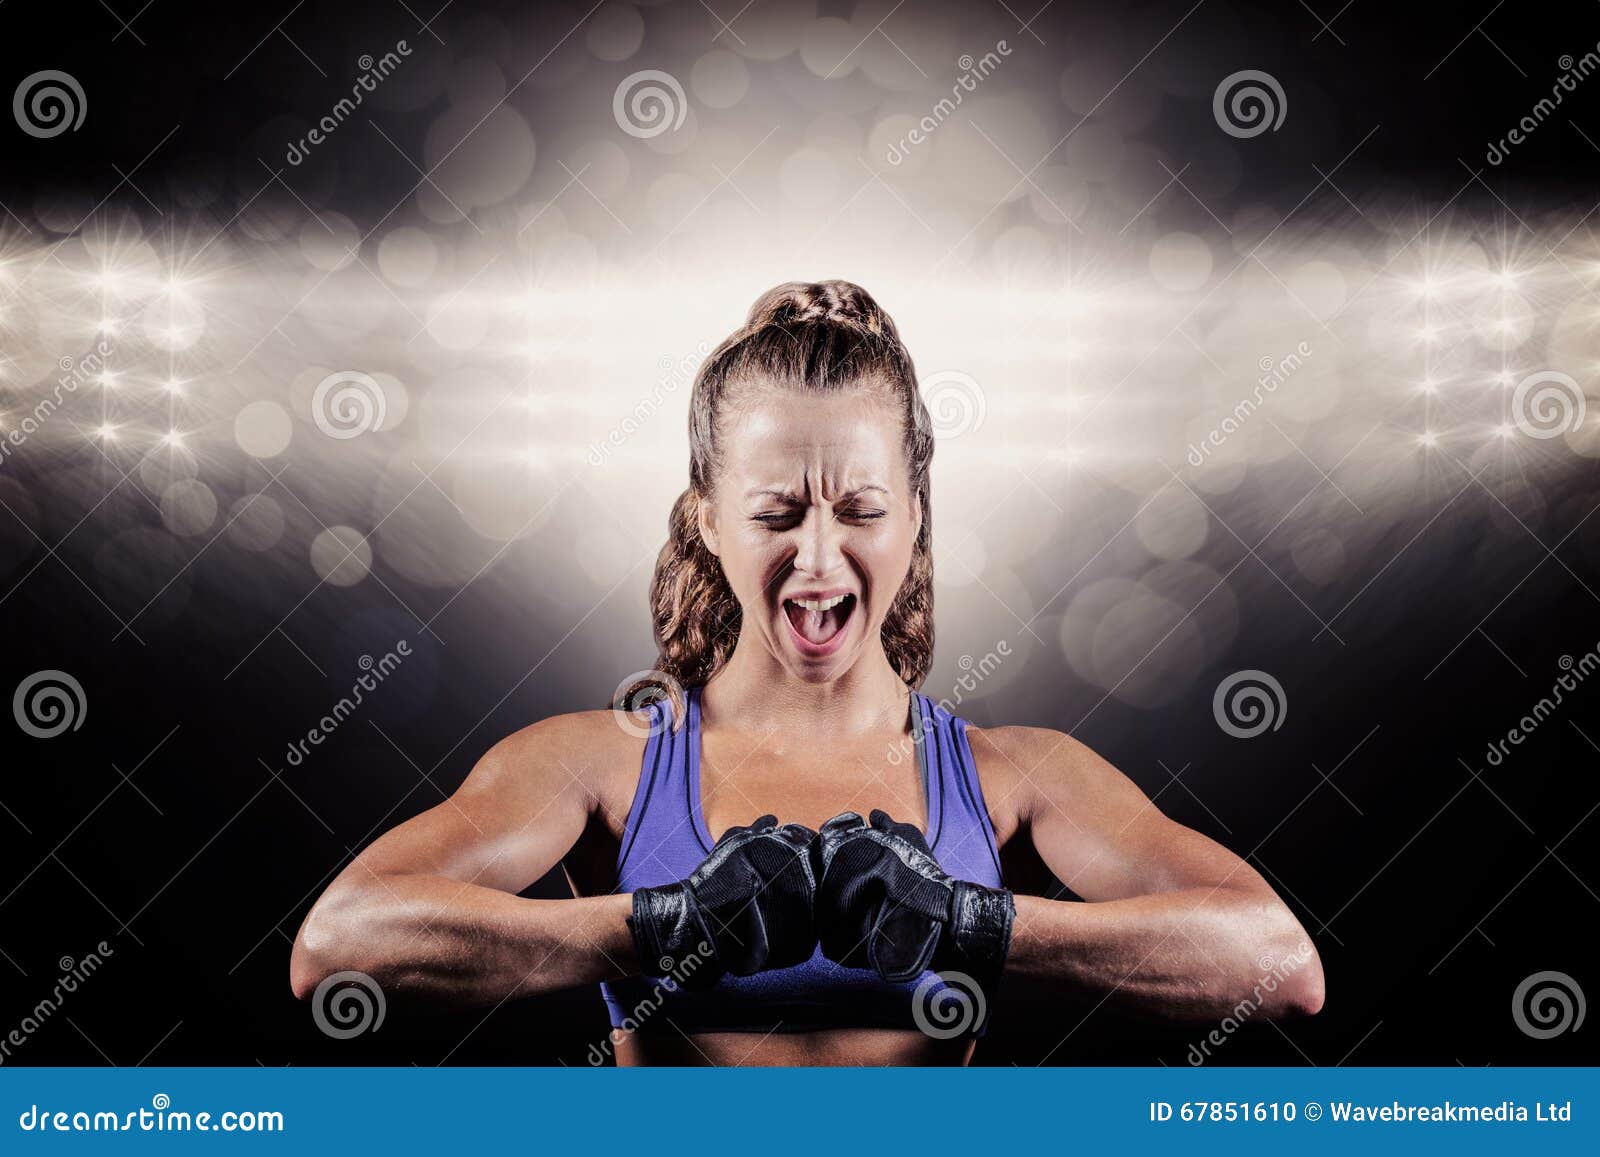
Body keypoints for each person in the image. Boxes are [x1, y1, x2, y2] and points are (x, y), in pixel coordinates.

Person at [290, 280, 1324, 1065]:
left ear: (915, 512)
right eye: (776, 512)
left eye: (862, 510)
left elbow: (1280, 960)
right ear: (704, 515)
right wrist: (657, 926)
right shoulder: (598, 763)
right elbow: (339, 939)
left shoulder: (1016, 775)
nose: (820, 557)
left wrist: (979, 921)